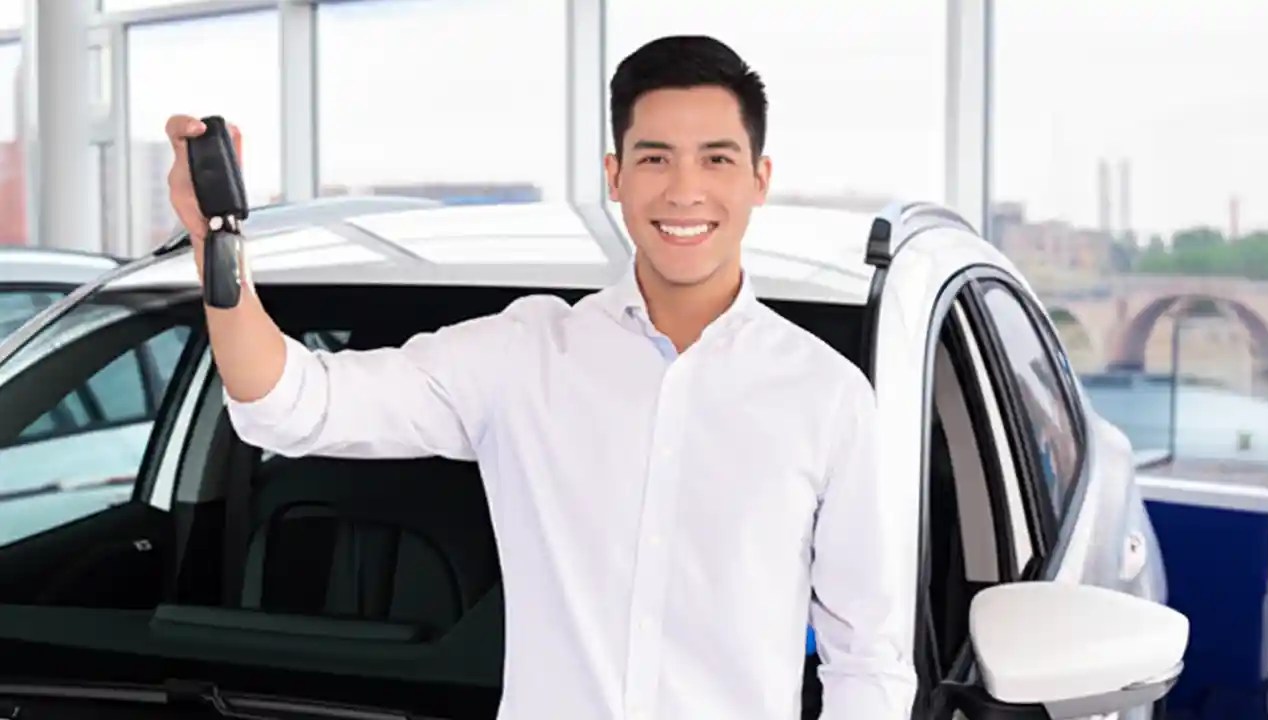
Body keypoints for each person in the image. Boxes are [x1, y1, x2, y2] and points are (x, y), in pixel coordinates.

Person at [165, 34, 916, 720]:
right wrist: (217, 242)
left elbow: (868, 661)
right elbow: (294, 403)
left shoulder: (827, 396)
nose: (685, 190)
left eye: (716, 159)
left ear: (759, 179)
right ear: (615, 176)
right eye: (655, 158)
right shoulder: (524, 357)